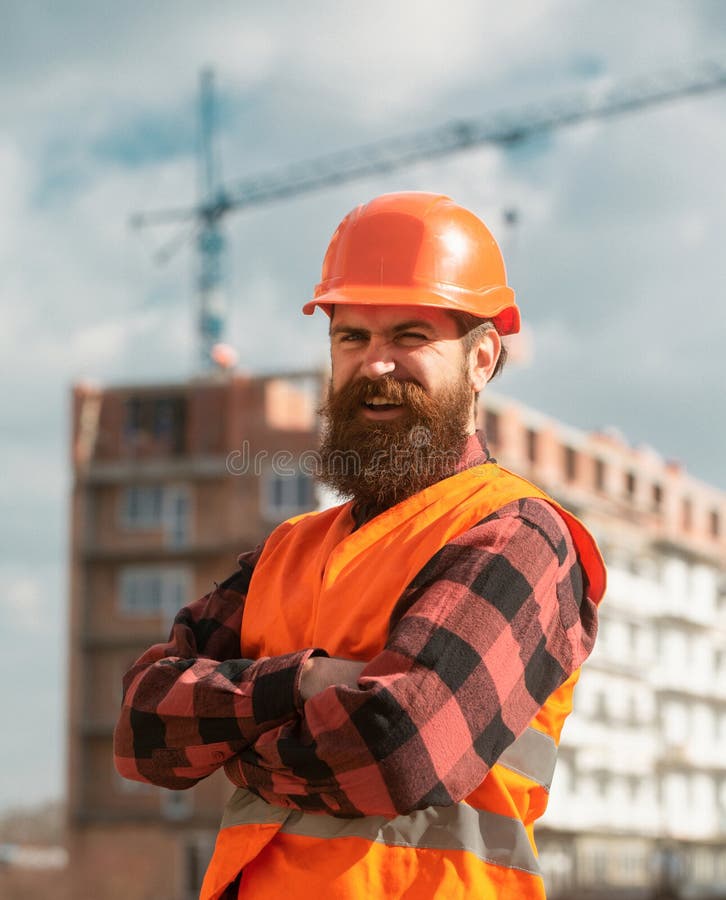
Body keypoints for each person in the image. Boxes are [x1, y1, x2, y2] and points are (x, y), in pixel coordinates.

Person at [114, 191, 606, 899]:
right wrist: (307, 682)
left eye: (409, 336)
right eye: (352, 338)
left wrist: (231, 744)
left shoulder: (518, 534)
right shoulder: (288, 550)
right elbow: (142, 728)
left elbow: (397, 750)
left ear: (480, 359)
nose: (375, 365)